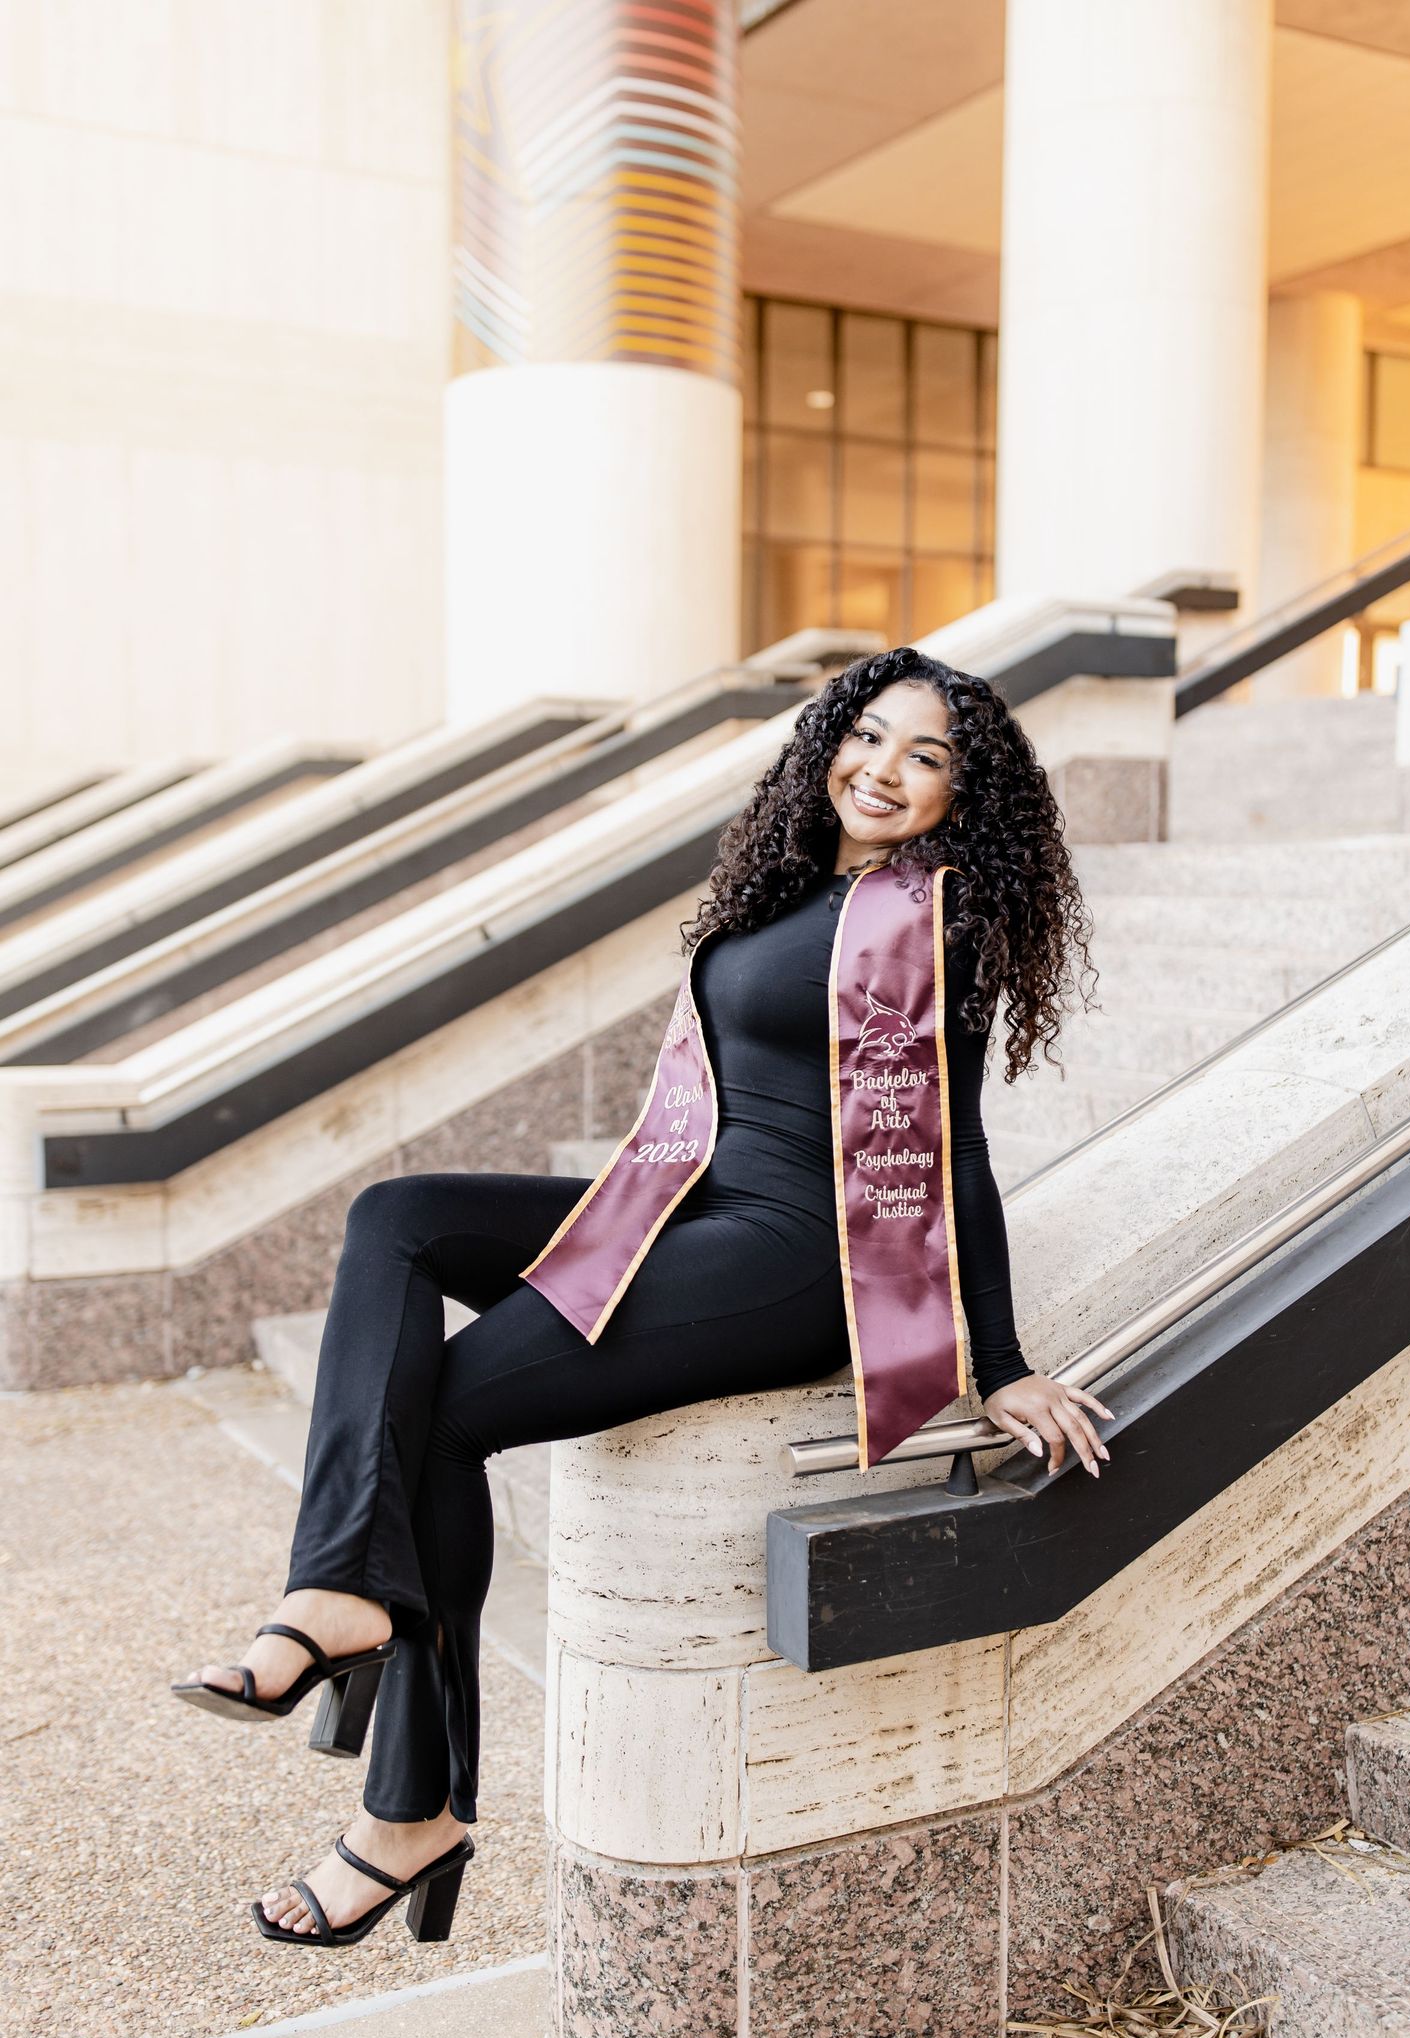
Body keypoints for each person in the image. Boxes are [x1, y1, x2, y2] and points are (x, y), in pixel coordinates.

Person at [170, 645, 1111, 1947]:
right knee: (397, 1219)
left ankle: (398, 1792)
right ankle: (342, 1601)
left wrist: (998, 1361)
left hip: (794, 1258)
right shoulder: (791, 883)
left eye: (927, 756)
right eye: (868, 735)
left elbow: (955, 1139)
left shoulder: (923, 912)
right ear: (828, 740)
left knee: (444, 1411)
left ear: (965, 793)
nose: (885, 769)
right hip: (685, 1206)